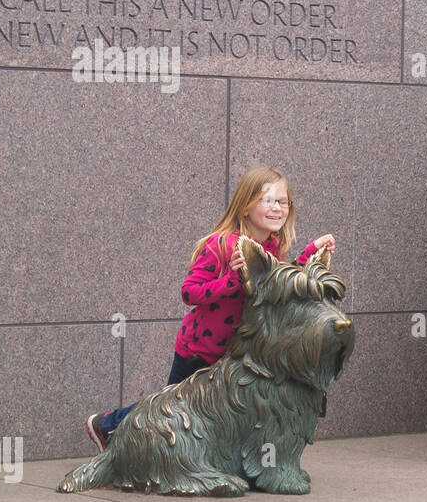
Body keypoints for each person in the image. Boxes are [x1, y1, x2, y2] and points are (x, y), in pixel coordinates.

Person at [84, 166, 336, 451]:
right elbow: (189, 291)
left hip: (234, 353)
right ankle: (107, 425)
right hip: (199, 350)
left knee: (217, 410)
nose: (277, 208)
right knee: (171, 408)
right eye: (267, 200)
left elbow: (279, 286)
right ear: (245, 206)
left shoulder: (272, 246)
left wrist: (310, 253)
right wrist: (230, 281)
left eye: (283, 201)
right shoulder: (221, 245)